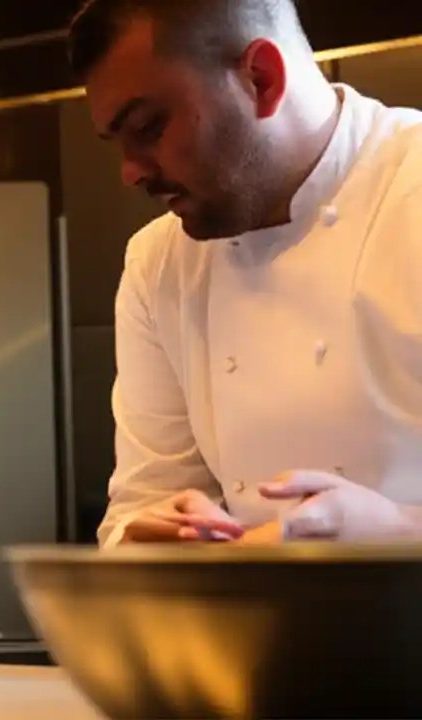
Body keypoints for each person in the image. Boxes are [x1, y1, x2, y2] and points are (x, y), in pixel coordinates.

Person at [69, 0, 422, 547]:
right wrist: (156, 542)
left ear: (261, 78)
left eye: (148, 127)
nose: (130, 172)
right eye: (119, 143)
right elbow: (138, 506)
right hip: (252, 633)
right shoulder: (157, 264)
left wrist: (396, 533)